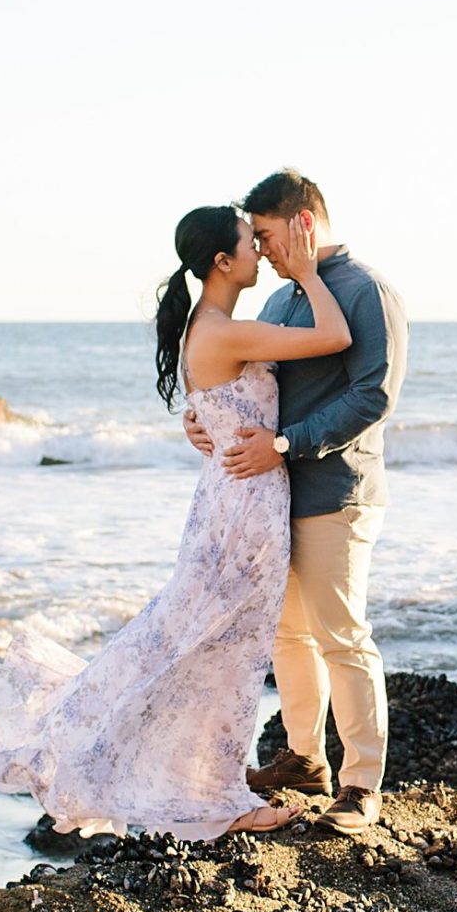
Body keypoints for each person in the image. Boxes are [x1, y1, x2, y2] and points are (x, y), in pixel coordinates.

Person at [0, 204, 351, 839]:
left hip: (232, 503)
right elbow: (335, 336)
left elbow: (217, 405)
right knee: (223, 652)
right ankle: (214, 796)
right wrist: (310, 273)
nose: (260, 252)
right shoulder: (224, 329)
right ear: (222, 263)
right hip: (243, 511)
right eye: (249, 245)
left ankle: (201, 787)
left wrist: (201, 423)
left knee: (206, 645)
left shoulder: (211, 325)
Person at [183, 170, 408, 836]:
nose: (265, 248)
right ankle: (305, 758)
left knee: (343, 635)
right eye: (256, 237)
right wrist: (204, 423)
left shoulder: (364, 290)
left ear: (304, 224)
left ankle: (361, 783)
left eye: (271, 235)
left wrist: (285, 443)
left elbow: (373, 395)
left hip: (337, 491)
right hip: (273, 500)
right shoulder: (282, 304)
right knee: (288, 635)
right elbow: (245, 383)